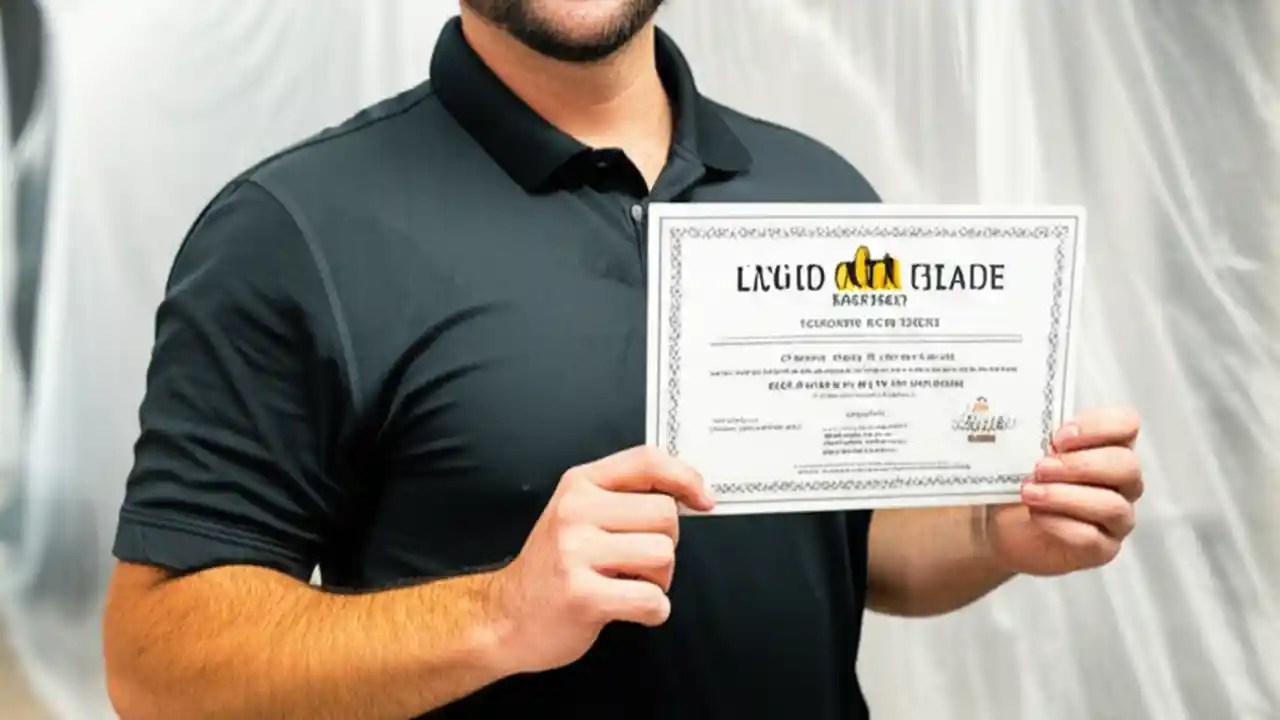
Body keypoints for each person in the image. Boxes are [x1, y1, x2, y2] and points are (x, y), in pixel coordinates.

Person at [101, 2, 1144, 718]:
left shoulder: (815, 193)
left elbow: (843, 552)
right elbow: (153, 664)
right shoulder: (292, 229)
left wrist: (989, 526)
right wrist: (495, 616)